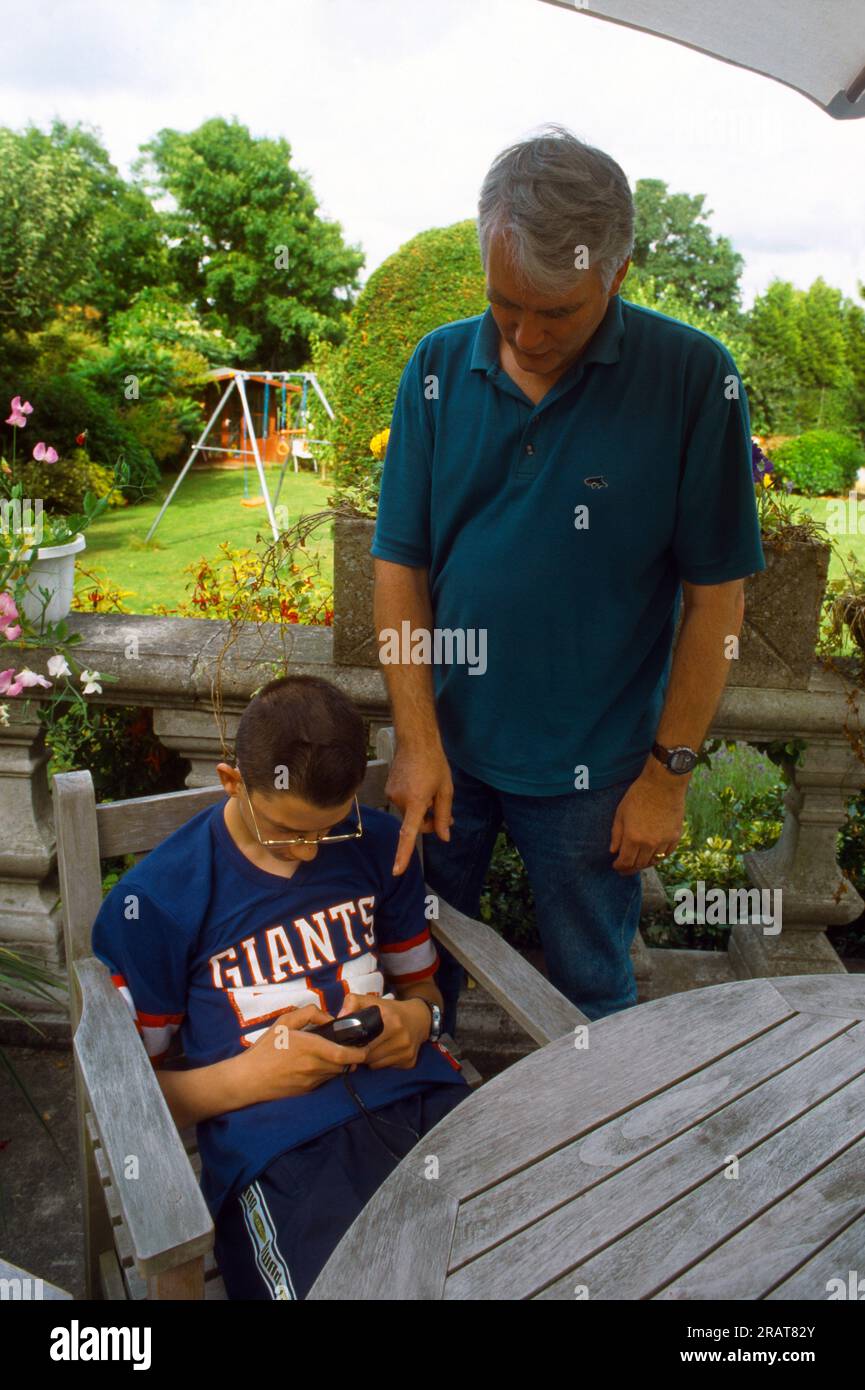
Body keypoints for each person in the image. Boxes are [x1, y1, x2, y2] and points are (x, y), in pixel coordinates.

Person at [372, 124, 766, 1036]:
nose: (526, 333)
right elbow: (401, 566)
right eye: (506, 303)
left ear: (617, 275)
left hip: (598, 772)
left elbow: (717, 601)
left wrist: (668, 778)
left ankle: (598, 1159)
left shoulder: (693, 379)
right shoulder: (436, 367)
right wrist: (417, 738)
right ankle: (435, 1145)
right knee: (418, 977)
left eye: (558, 310)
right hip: (451, 756)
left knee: (593, 997)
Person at [91, 674, 469, 1300]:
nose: (312, 852)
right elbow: (126, 1098)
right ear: (232, 782)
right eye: (288, 831)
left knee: (530, 1247)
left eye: (330, 829)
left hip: (424, 1098)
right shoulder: (157, 902)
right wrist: (249, 1078)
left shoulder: (376, 843)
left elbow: (424, 992)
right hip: (283, 1152)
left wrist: (418, 1021)